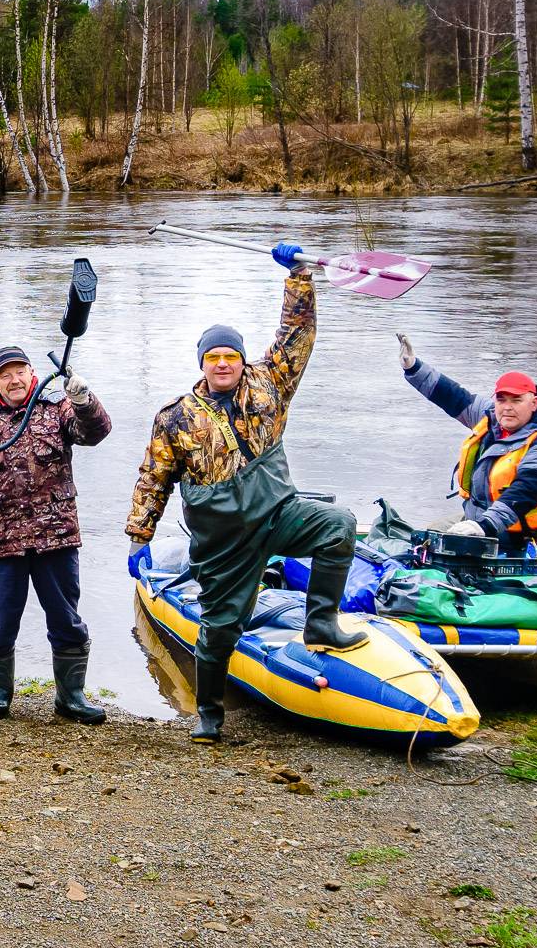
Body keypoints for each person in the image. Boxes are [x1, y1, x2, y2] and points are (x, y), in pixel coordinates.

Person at [125, 245, 367, 744]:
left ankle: (320, 623)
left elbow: (297, 335)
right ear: (202, 363)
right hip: (224, 540)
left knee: (339, 526)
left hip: (278, 513)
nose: (222, 364)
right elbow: (154, 476)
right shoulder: (174, 417)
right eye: (212, 357)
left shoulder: (269, 384)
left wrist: (299, 276)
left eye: (229, 356)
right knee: (218, 630)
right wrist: (139, 534)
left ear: (240, 359)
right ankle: (209, 713)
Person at [0, 346, 112, 723]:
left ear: (32, 373)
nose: (15, 380)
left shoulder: (57, 410)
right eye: (5, 375)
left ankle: (70, 697)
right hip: (1, 543)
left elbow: (96, 432)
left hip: (55, 537)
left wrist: (84, 400)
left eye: (20, 371)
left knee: (65, 617)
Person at [396, 333, 537, 555]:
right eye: (502, 399)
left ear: (534, 403)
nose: (507, 407)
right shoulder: (491, 416)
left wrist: (483, 526)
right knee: (426, 539)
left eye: (516, 400)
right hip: (480, 520)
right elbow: (452, 396)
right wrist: (414, 367)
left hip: (524, 539)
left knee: (445, 554)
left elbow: (526, 491)